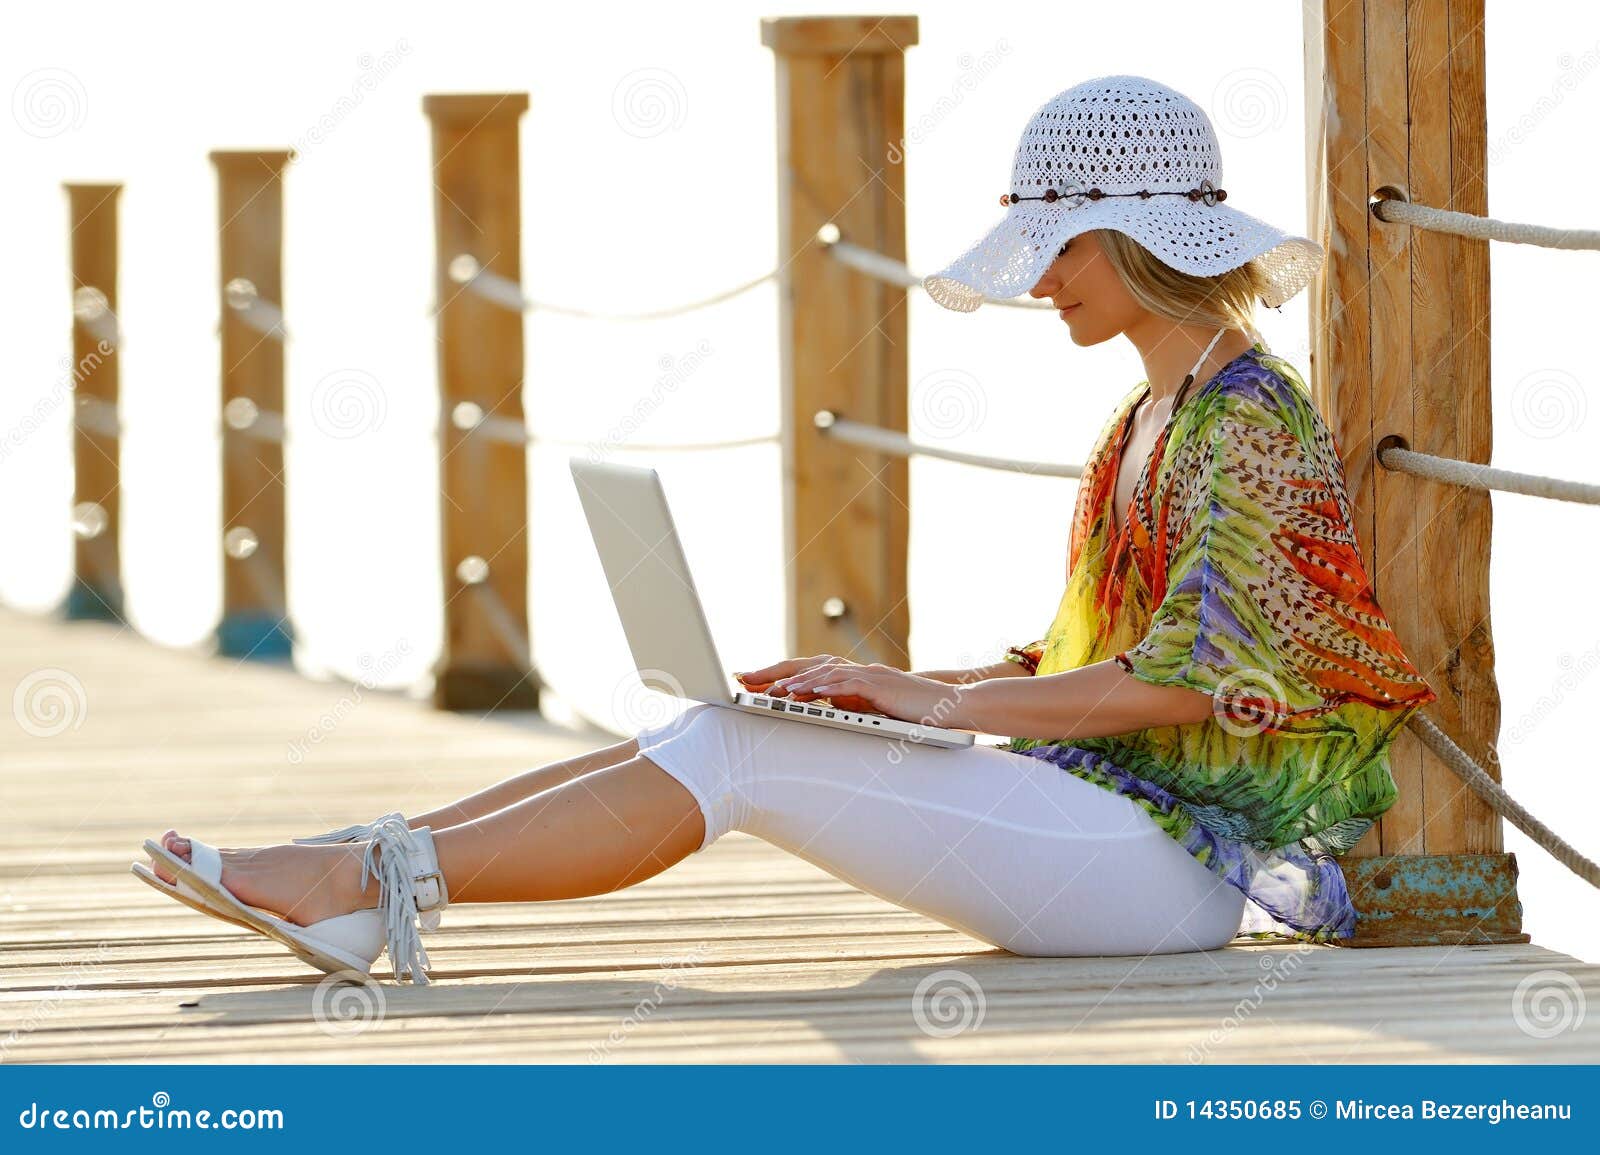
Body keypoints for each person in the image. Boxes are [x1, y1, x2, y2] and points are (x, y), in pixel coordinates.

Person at [135, 75, 1438, 985]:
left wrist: (930, 705)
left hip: (1180, 870)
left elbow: (1196, 686)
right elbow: (1081, 666)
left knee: (739, 751)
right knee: (718, 726)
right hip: (1110, 828)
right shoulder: (1149, 416)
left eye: (1062, 247)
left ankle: (368, 881)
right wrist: (885, 689)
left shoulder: (1245, 419)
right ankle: (363, 868)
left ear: (1142, 236)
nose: (1040, 278)